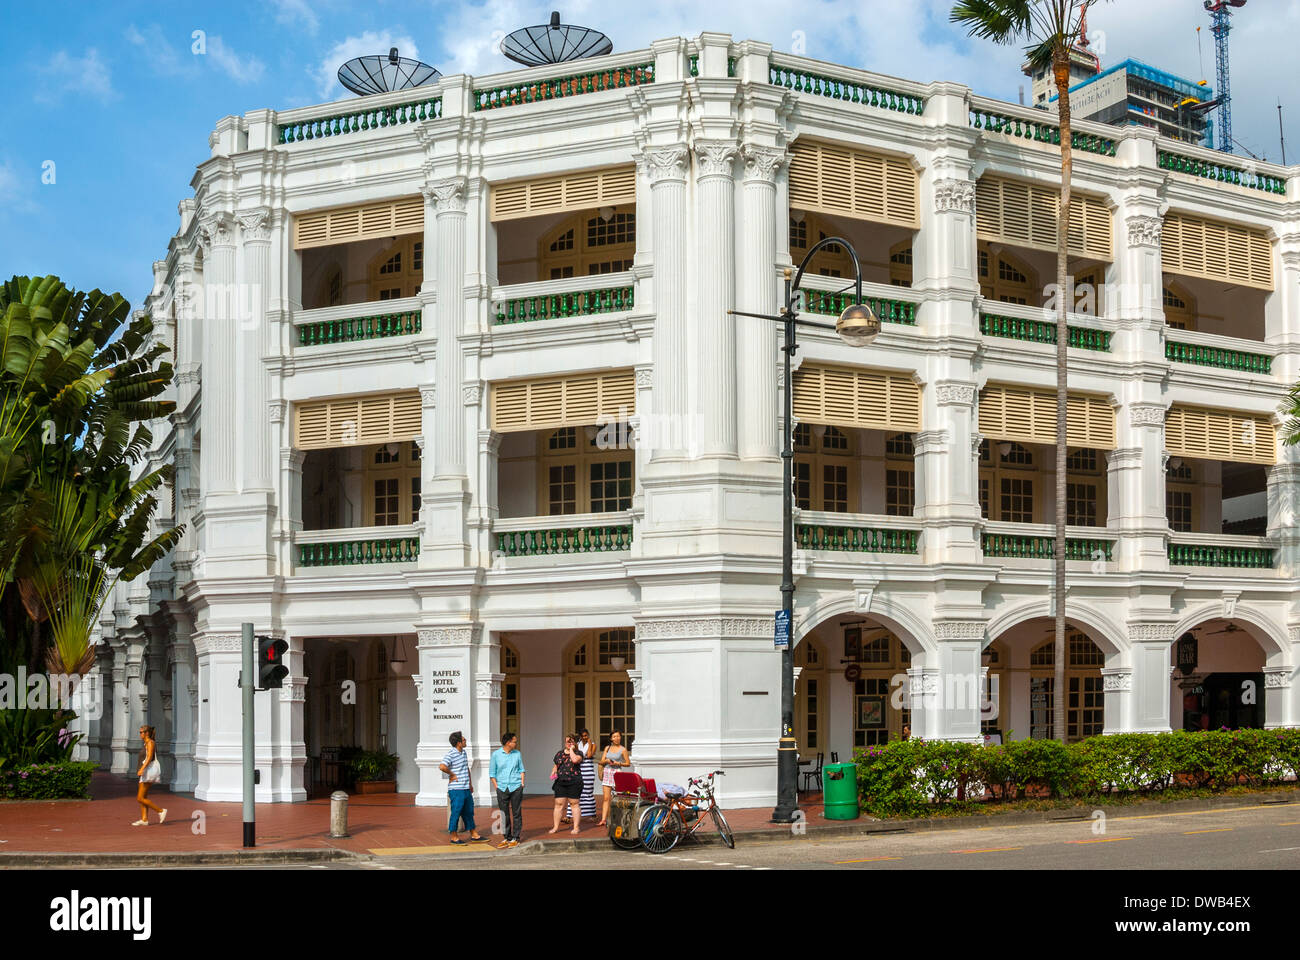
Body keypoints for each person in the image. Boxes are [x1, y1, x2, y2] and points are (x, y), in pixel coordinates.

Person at [439, 731, 485, 844]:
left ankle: (474, 834)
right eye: (464, 740)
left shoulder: (463, 752)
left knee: (469, 811)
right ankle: (454, 836)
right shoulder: (451, 754)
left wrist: (470, 784)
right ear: (459, 743)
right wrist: (452, 774)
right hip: (456, 790)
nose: (465, 741)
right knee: (456, 812)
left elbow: (466, 768)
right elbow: (442, 766)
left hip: (465, 788)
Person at [490, 731, 526, 848]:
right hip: (501, 787)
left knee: (516, 813)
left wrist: (522, 783)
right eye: (514, 742)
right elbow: (492, 773)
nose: (516, 743)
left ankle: (516, 837)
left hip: (516, 787)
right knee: (504, 814)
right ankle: (507, 837)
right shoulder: (496, 755)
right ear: (508, 743)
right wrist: (496, 786)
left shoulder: (517, 754)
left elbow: (521, 769)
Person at [548, 734, 584, 835]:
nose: (569, 743)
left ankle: (576, 827)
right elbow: (556, 765)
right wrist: (553, 771)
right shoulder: (559, 753)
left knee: (574, 804)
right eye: (568, 741)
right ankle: (555, 827)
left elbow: (575, 760)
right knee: (558, 804)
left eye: (571, 741)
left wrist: (572, 749)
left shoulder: (579, 753)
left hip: (574, 782)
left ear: (575, 743)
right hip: (561, 782)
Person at [132, 725, 167, 826]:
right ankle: (144, 819)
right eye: (140, 732)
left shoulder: (150, 743)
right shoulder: (145, 743)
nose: (140, 734)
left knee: (140, 798)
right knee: (144, 796)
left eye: (142, 732)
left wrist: (142, 769)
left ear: (147, 733)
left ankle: (160, 811)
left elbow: (149, 757)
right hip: (144, 772)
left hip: (147, 772)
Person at [598, 729, 631, 826]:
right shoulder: (607, 748)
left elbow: (628, 763)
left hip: (617, 773)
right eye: (614, 736)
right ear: (611, 739)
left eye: (618, 736)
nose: (617, 738)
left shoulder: (623, 749)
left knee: (618, 797)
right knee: (606, 798)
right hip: (607, 772)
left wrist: (618, 763)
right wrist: (607, 761)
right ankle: (604, 819)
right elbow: (601, 761)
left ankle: (617, 818)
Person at [577, 728, 597, 821]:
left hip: (588, 771)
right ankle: (570, 816)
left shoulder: (593, 745)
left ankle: (592, 814)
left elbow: (589, 755)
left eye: (587, 735)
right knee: (576, 792)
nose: (586, 737)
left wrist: (589, 744)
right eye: (584, 736)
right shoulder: (577, 745)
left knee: (588, 793)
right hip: (579, 771)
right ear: (580, 737)